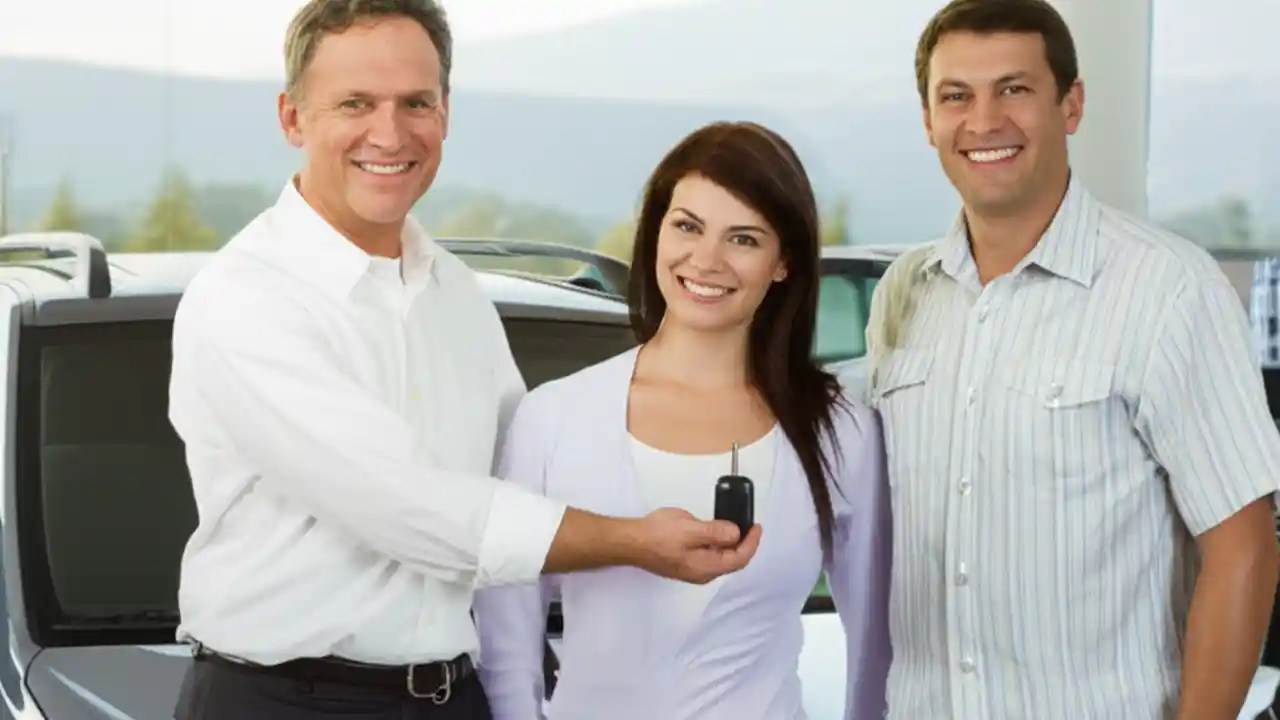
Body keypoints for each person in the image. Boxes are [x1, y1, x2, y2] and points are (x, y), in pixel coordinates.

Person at [166, 2, 761, 718]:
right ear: (292, 118)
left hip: (455, 696)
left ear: (445, 113)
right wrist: (634, 541)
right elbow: (412, 510)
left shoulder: (454, 294)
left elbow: (532, 459)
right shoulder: (246, 300)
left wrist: (705, 409)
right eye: (355, 103)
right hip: (288, 703)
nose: (389, 133)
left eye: (415, 102)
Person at [864, 1, 1280, 718]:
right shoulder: (905, 291)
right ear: (928, 120)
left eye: (1014, 89)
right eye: (956, 96)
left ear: (1072, 104)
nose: (984, 120)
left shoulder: (1169, 289)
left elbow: (1243, 547)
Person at [472, 121, 893, 720]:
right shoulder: (552, 417)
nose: (706, 259)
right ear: (656, 233)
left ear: (783, 262)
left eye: (743, 239)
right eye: (687, 227)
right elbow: (506, 651)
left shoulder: (839, 429)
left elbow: (876, 646)